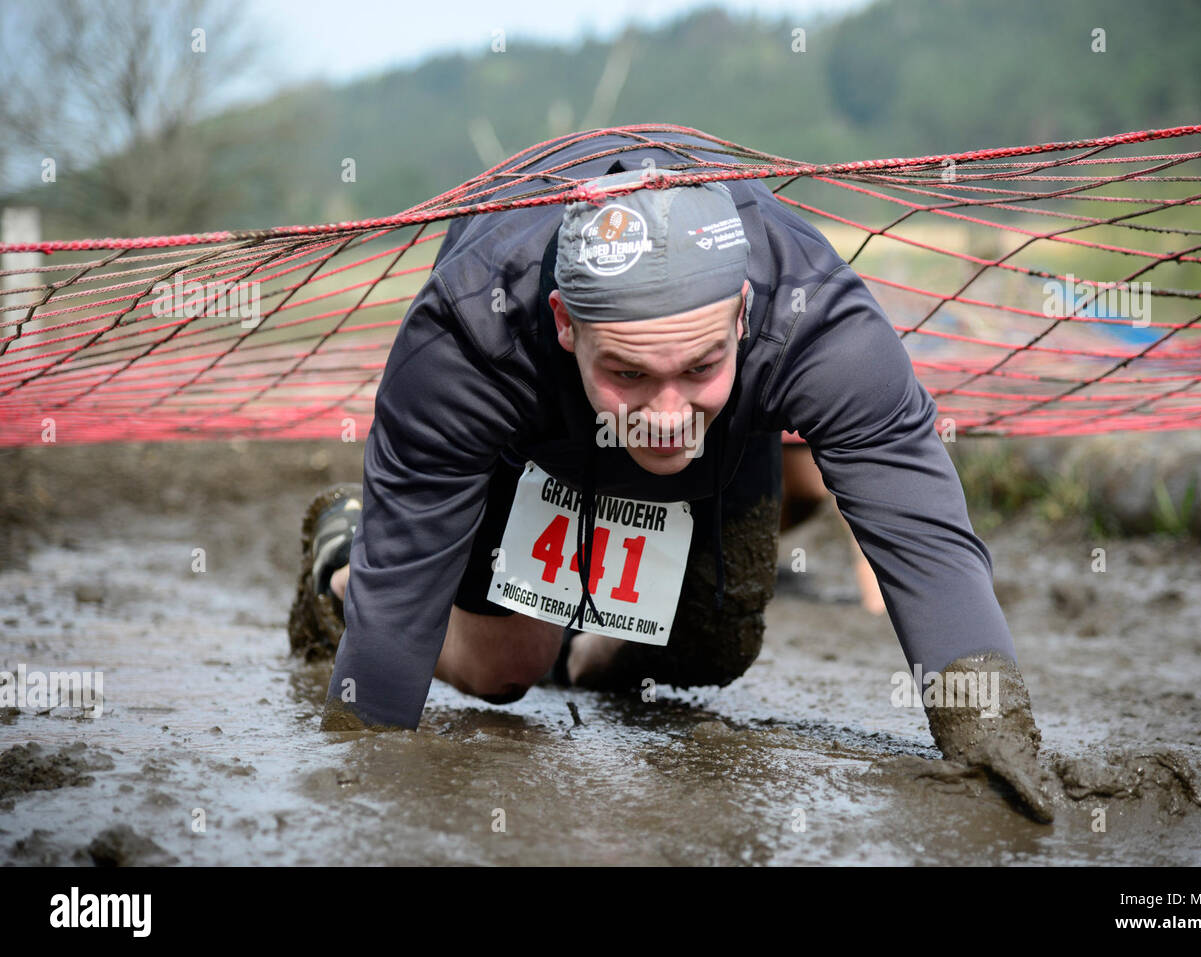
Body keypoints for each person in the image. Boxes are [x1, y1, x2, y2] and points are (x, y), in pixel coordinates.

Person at [290, 128, 1059, 822]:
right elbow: (390, 648)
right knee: (506, 668)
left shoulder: (817, 320)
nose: (663, 411)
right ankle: (341, 563)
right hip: (536, 425)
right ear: (565, 321)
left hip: (726, 427)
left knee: (715, 641)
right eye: (628, 369)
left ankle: (582, 644)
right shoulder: (466, 339)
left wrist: (991, 737)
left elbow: (923, 539)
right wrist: (362, 777)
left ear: (741, 315)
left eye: (698, 365)